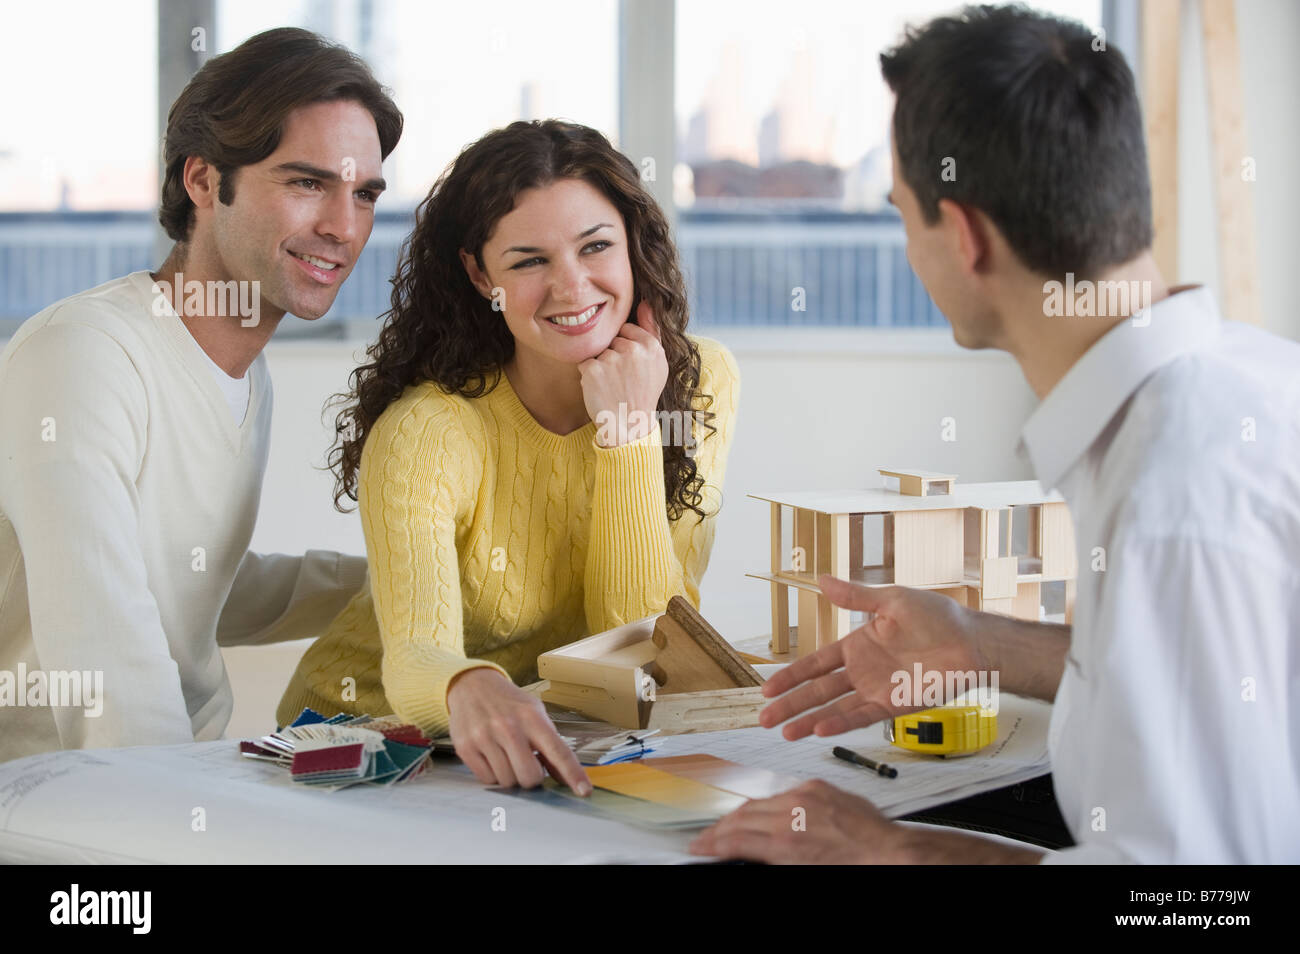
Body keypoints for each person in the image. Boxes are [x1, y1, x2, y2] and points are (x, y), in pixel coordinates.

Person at [690, 3, 1299, 864]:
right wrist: (985, 647)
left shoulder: (1174, 496)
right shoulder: (1247, 384)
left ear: (967, 235)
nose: (907, 249)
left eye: (905, 216)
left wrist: (888, 852)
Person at [277, 120, 740, 795]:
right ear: (479, 273)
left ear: (634, 245)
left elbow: (642, 641)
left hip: (545, 742)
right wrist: (474, 686)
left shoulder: (701, 383)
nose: (573, 287)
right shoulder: (430, 430)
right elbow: (415, 661)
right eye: (529, 261)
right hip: (364, 744)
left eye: (596, 247)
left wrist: (629, 429)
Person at [0, 28, 403, 761]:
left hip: (183, 776)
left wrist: (408, 579)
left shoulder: (246, 376)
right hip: (54, 800)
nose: (345, 228)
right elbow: (108, 668)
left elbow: (198, 581)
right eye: (308, 182)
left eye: (365, 194)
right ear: (203, 181)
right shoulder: (83, 356)